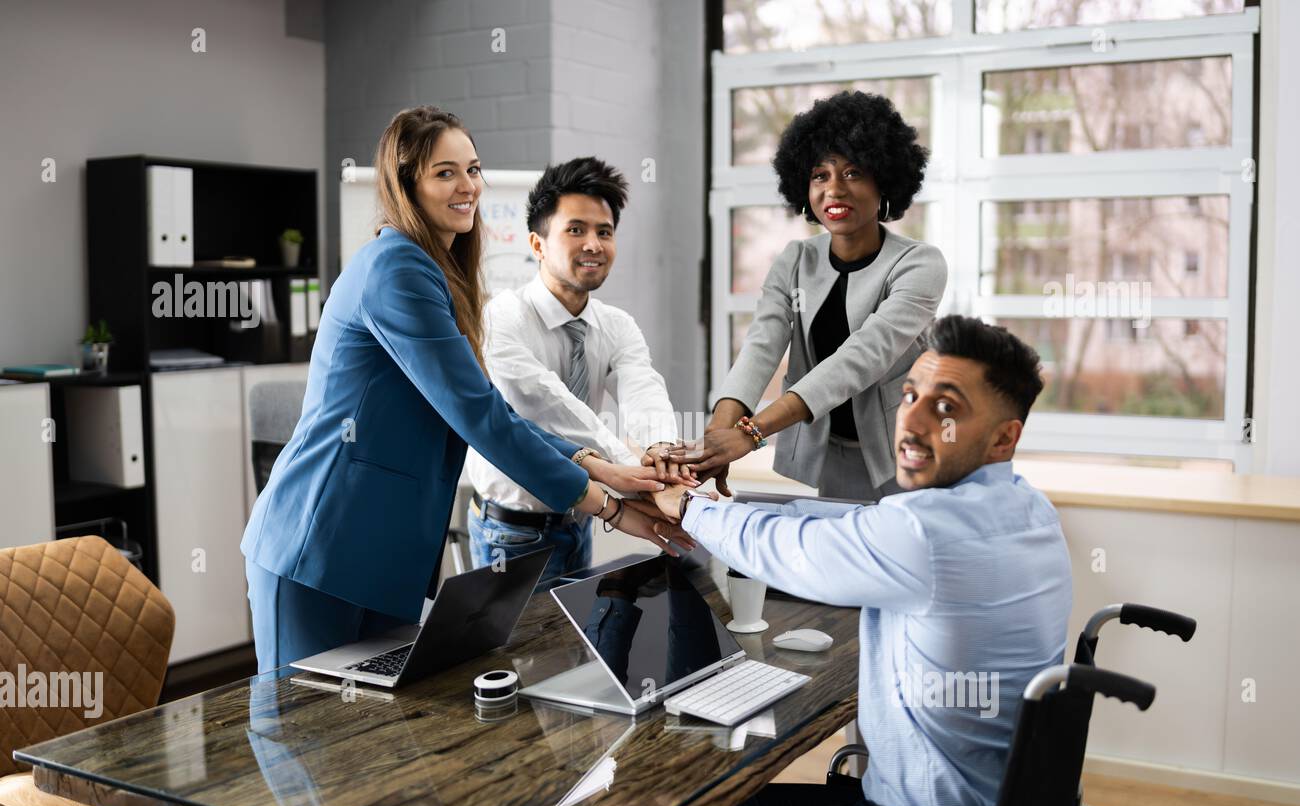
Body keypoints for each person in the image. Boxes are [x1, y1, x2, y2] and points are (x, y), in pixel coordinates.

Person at [240, 106, 694, 680]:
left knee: (368, 750)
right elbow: (479, 418)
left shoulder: (435, 269)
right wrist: (609, 505)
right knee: (302, 738)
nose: (467, 186)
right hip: (322, 545)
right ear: (406, 185)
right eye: (444, 172)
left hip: (385, 553)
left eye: (473, 169)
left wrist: (597, 467)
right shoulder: (396, 269)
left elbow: (489, 408)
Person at [651, 316, 1073, 806]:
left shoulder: (923, 534)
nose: (910, 423)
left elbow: (792, 552)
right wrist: (723, 508)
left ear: (1004, 437)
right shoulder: (1029, 509)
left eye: (945, 408)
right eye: (910, 395)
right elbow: (855, 522)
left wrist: (687, 508)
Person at [671, 90, 948, 502]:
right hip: (834, 455)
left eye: (853, 173)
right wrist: (716, 438)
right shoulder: (796, 259)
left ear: (884, 180)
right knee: (839, 562)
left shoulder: (919, 264)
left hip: (908, 452)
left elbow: (861, 358)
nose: (834, 189)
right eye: (820, 175)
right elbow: (760, 347)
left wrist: (751, 432)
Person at [465, 157, 692, 584]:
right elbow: (552, 407)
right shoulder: (502, 318)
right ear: (537, 244)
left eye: (604, 232)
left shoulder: (616, 325)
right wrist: (635, 477)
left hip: (580, 519)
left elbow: (643, 388)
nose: (593, 244)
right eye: (576, 230)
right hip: (512, 534)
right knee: (511, 653)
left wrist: (662, 455)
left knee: (573, 651)